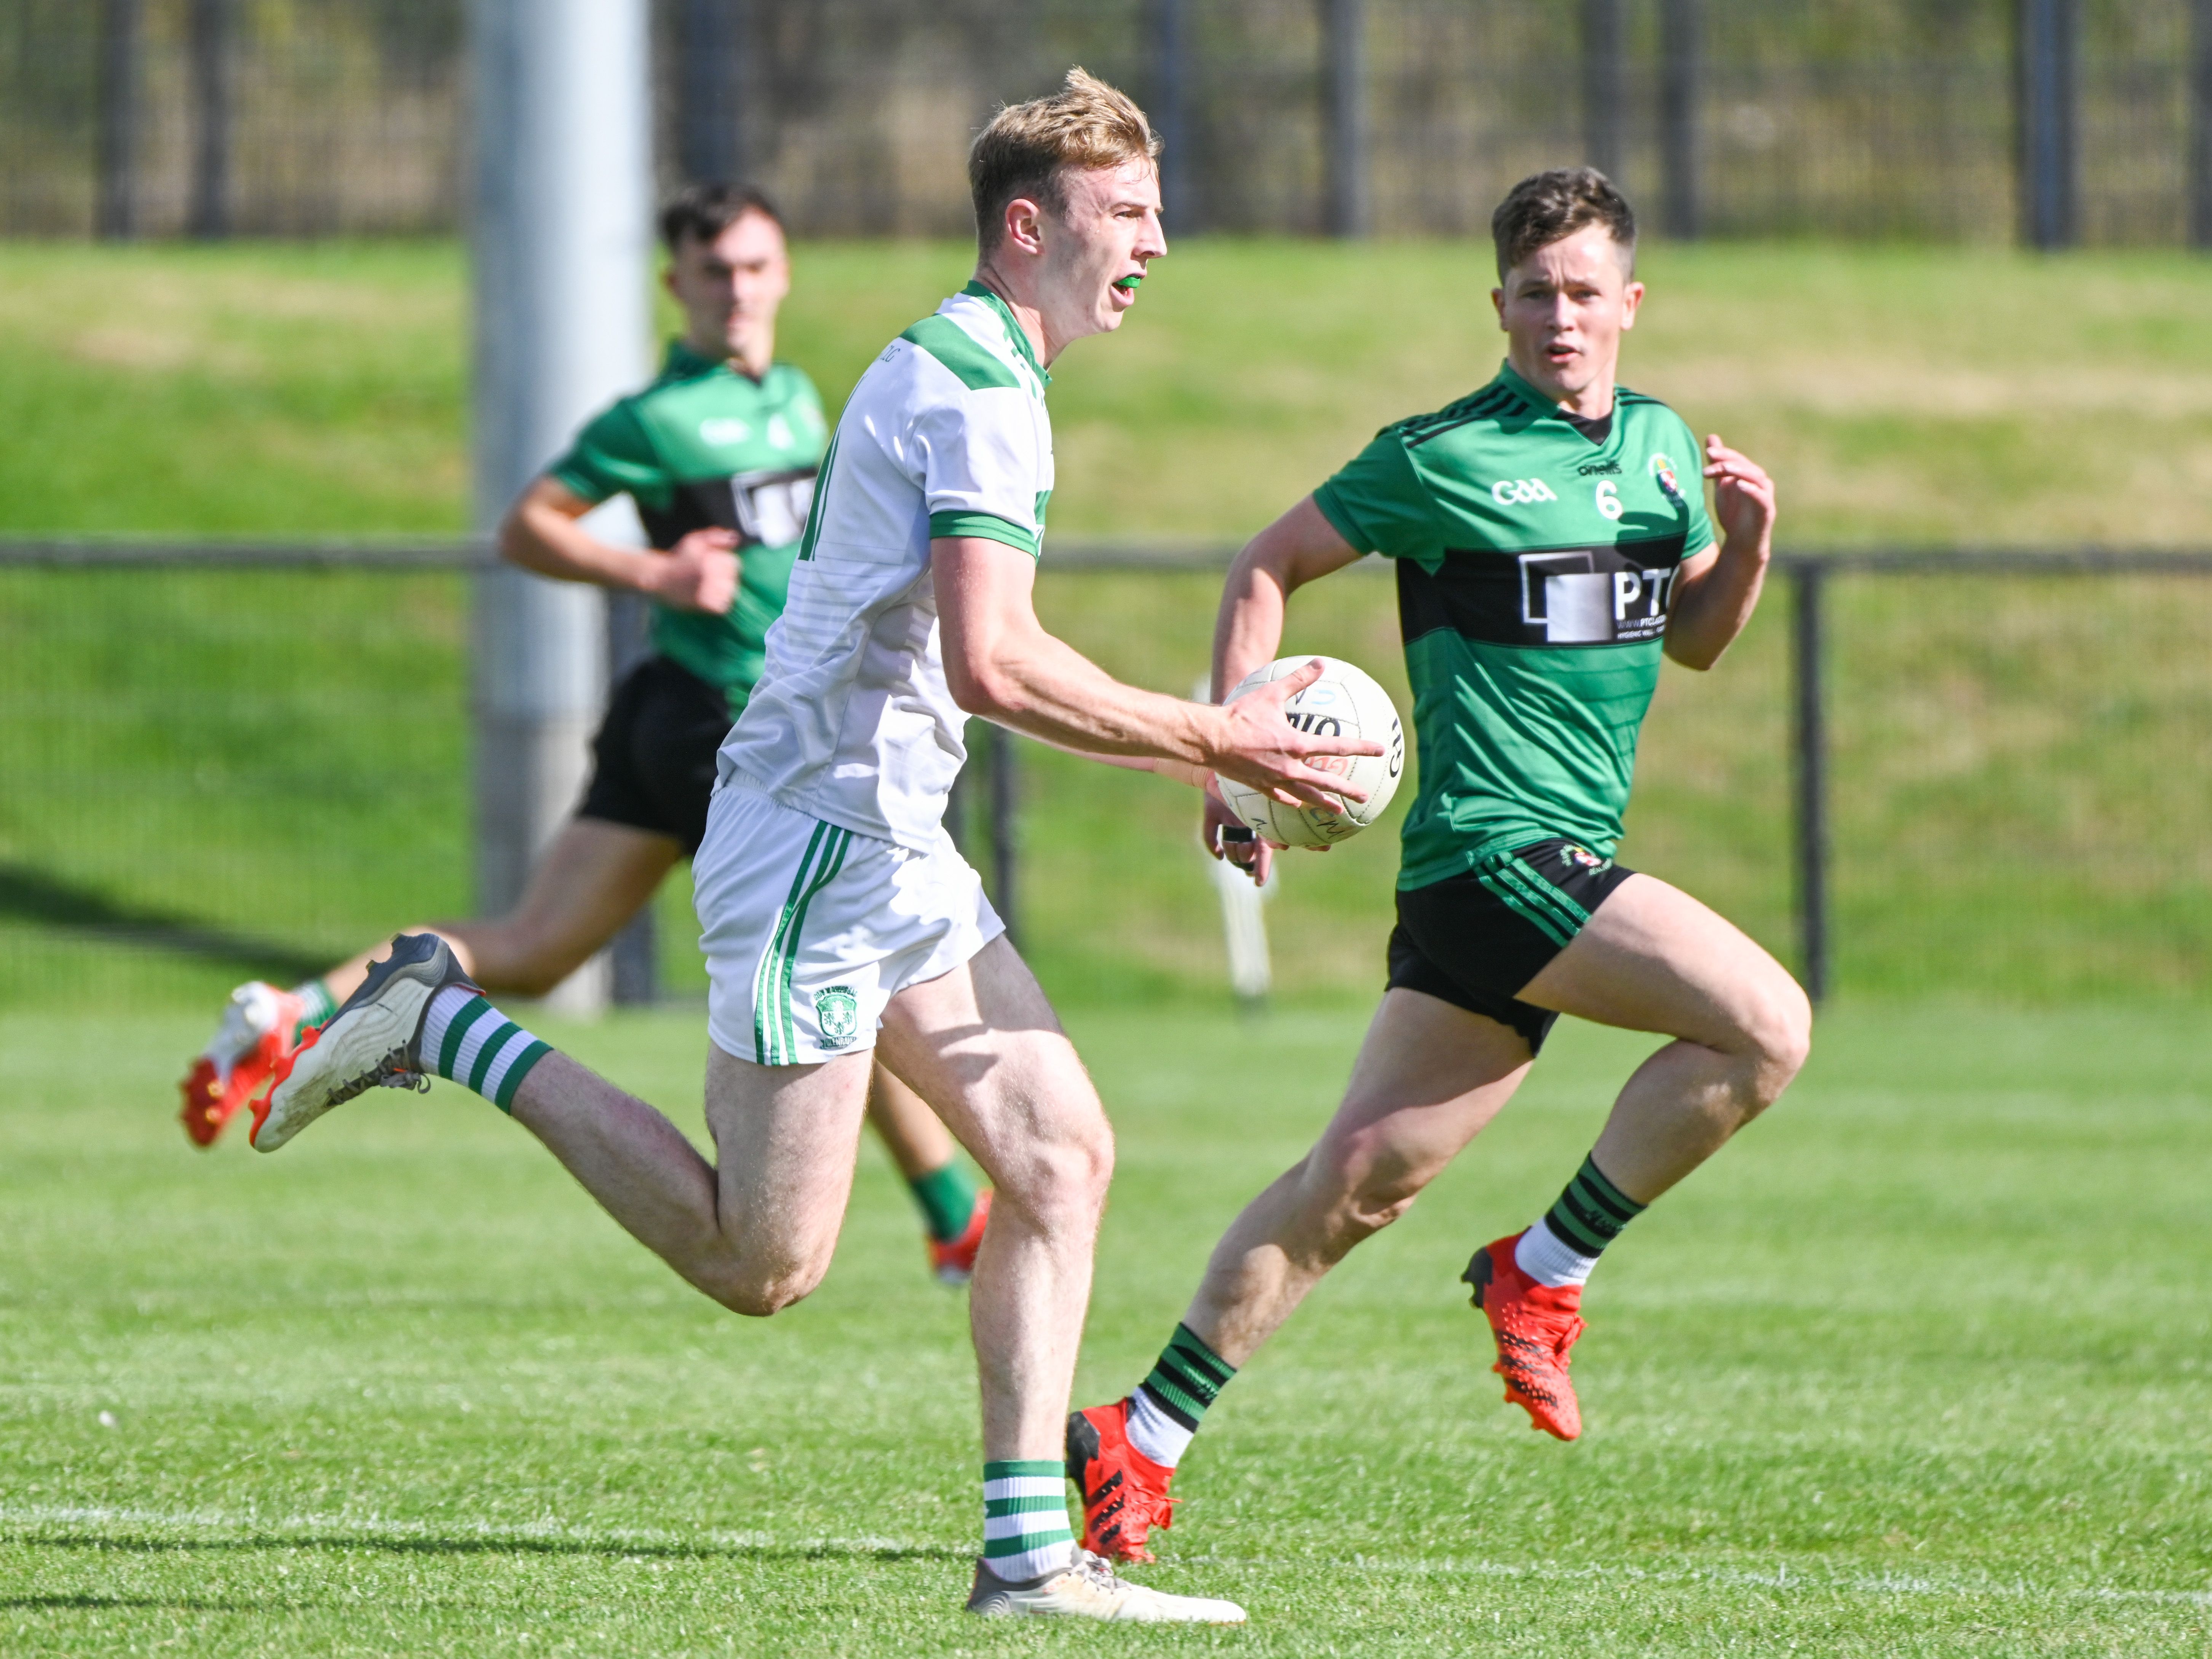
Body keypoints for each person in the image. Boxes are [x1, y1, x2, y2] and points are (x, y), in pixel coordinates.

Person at [250, 70, 1375, 1622]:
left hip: (890, 840)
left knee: (1060, 1159)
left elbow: (986, 666)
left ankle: (1025, 1557)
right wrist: (1217, 738)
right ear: (1031, 225)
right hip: (810, 851)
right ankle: (441, 1021)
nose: (1157, 243)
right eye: (1130, 213)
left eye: (1158, 211)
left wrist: (1205, 749)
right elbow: (997, 662)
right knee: (762, 1260)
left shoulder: (984, 369)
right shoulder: (973, 388)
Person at [1065, 167, 1811, 1564]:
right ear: (1499, 305)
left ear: (1629, 305)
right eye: (1534, 294)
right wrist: (1232, 753)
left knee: (1353, 1187)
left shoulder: (1659, 451)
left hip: (1550, 867)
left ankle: (1136, 1436)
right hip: (1491, 856)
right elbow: (1266, 562)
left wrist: (1752, 544)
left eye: (1584, 293)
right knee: (1764, 1024)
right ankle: (1545, 1271)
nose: (1560, 318)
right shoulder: (1440, 455)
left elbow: (1697, 639)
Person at [176, 182, 989, 1284]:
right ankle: (953, 1216)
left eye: (756, 267)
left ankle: (296, 1008)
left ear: (786, 271)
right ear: (677, 286)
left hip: (682, 709)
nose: (738, 291)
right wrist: (651, 568)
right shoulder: (656, 419)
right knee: (835, 963)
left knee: (536, 948)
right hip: (724, 724)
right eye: (715, 273)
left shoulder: (797, 396)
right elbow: (527, 526)